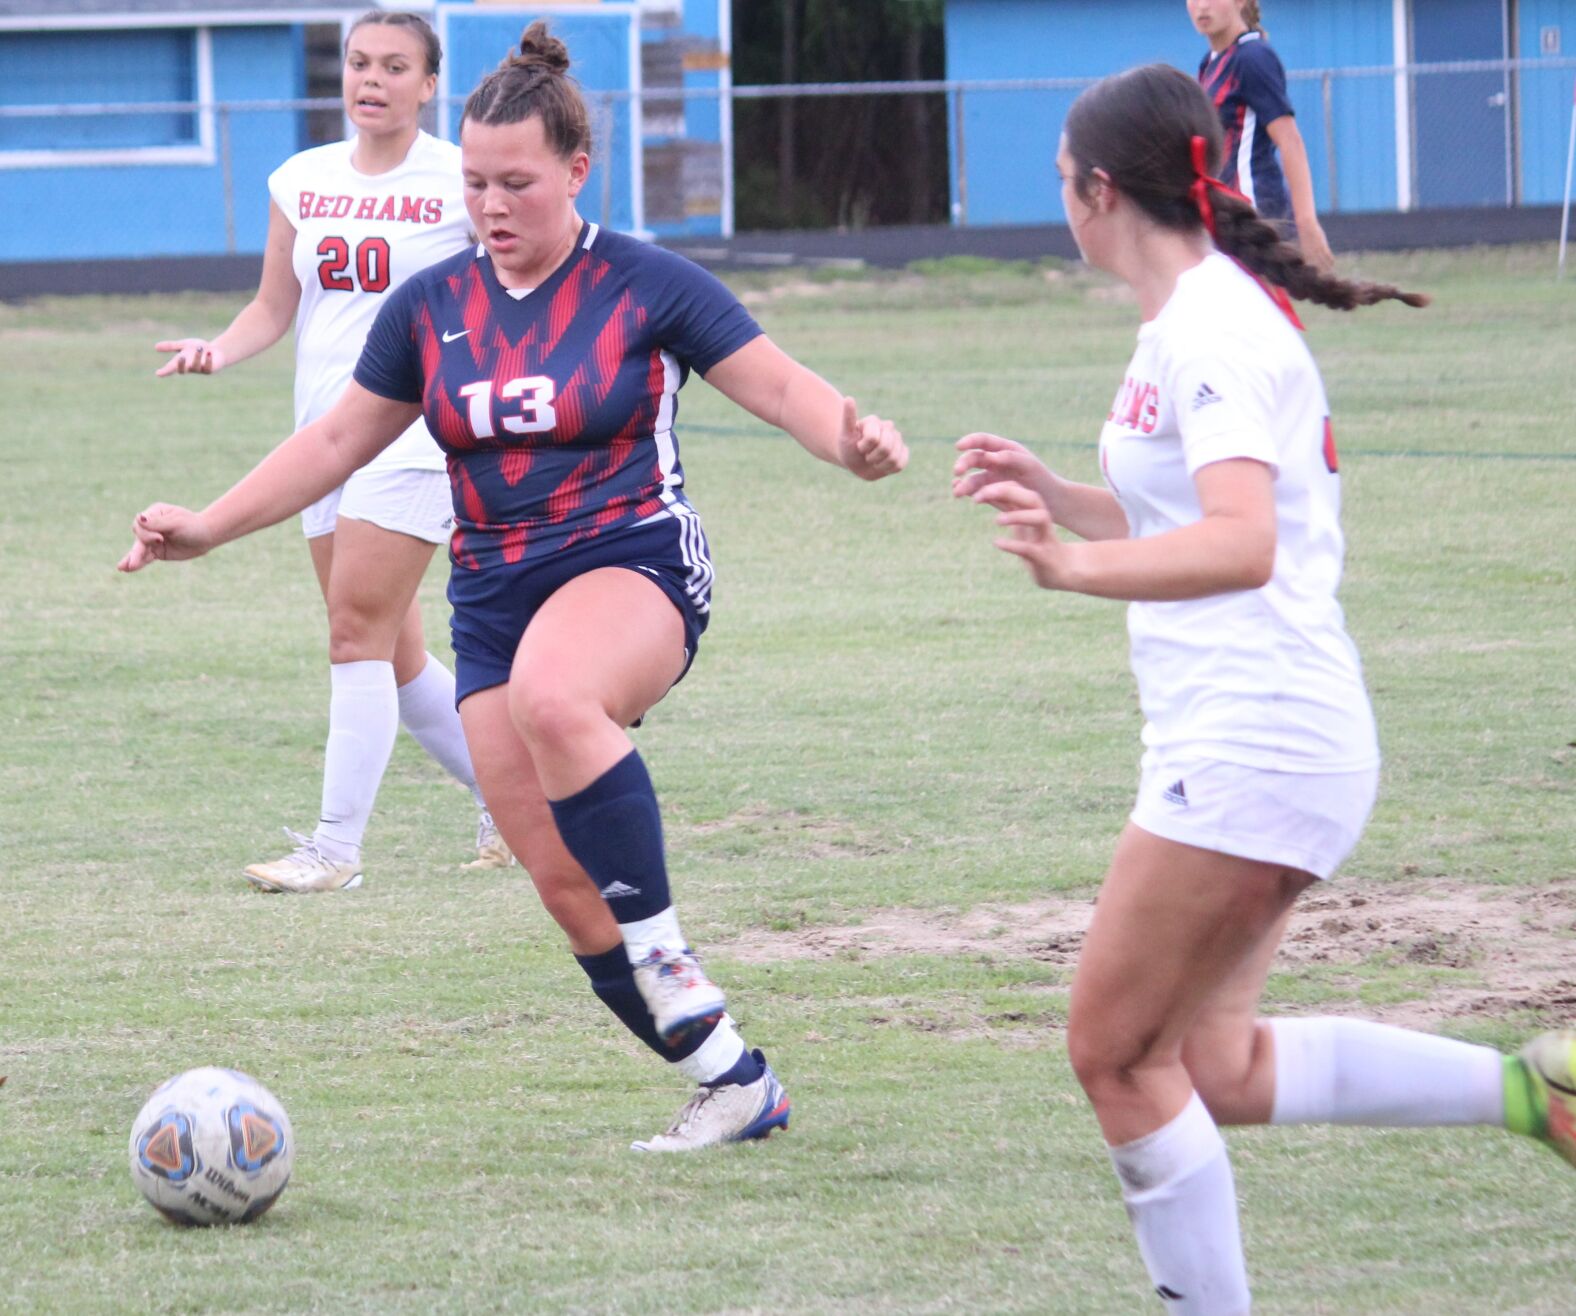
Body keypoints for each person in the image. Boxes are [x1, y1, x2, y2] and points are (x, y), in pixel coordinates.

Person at [121, 21, 908, 1152]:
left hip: (630, 562)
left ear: (577, 171)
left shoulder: (645, 281)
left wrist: (855, 440)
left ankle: (671, 953)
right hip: (492, 600)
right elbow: (338, 436)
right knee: (562, 882)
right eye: (478, 182)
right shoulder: (432, 307)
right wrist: (208, 525)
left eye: (516, 183)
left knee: (556, 698)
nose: (490, 204)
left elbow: (781, 389)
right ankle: (731, 1078)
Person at [953, 63, 1575, 1314]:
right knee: (1213, 1064)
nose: (1059, 204)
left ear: (1096, 191)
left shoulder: (1212, 329)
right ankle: (1538, 1090)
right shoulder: (1189, 320)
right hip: (1267, 735)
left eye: (1059, 184)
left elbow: (1243, 540)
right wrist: (1067, 495)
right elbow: (1195, 504)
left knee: (1114, 1055)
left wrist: (1078, 566)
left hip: (1255, 740)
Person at [154, 9, 511, 894]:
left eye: (396, 66)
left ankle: (334, 851)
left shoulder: (457, 181)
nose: (373, 79)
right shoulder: (301, 177)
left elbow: (517, 280)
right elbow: (273, 309)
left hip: (416, 435)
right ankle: (518, 796)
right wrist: (218, 350)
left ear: (431, 85)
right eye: (359, 63)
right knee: (390, 652)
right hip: (323, 440)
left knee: (354, 631)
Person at [1188, 0, 1335, 271]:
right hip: (1225, 215)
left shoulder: (1253, 57)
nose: (1202, 6)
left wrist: (1306, 222)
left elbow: (1290, 141)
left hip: (1255, 213)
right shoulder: (1209, 63)